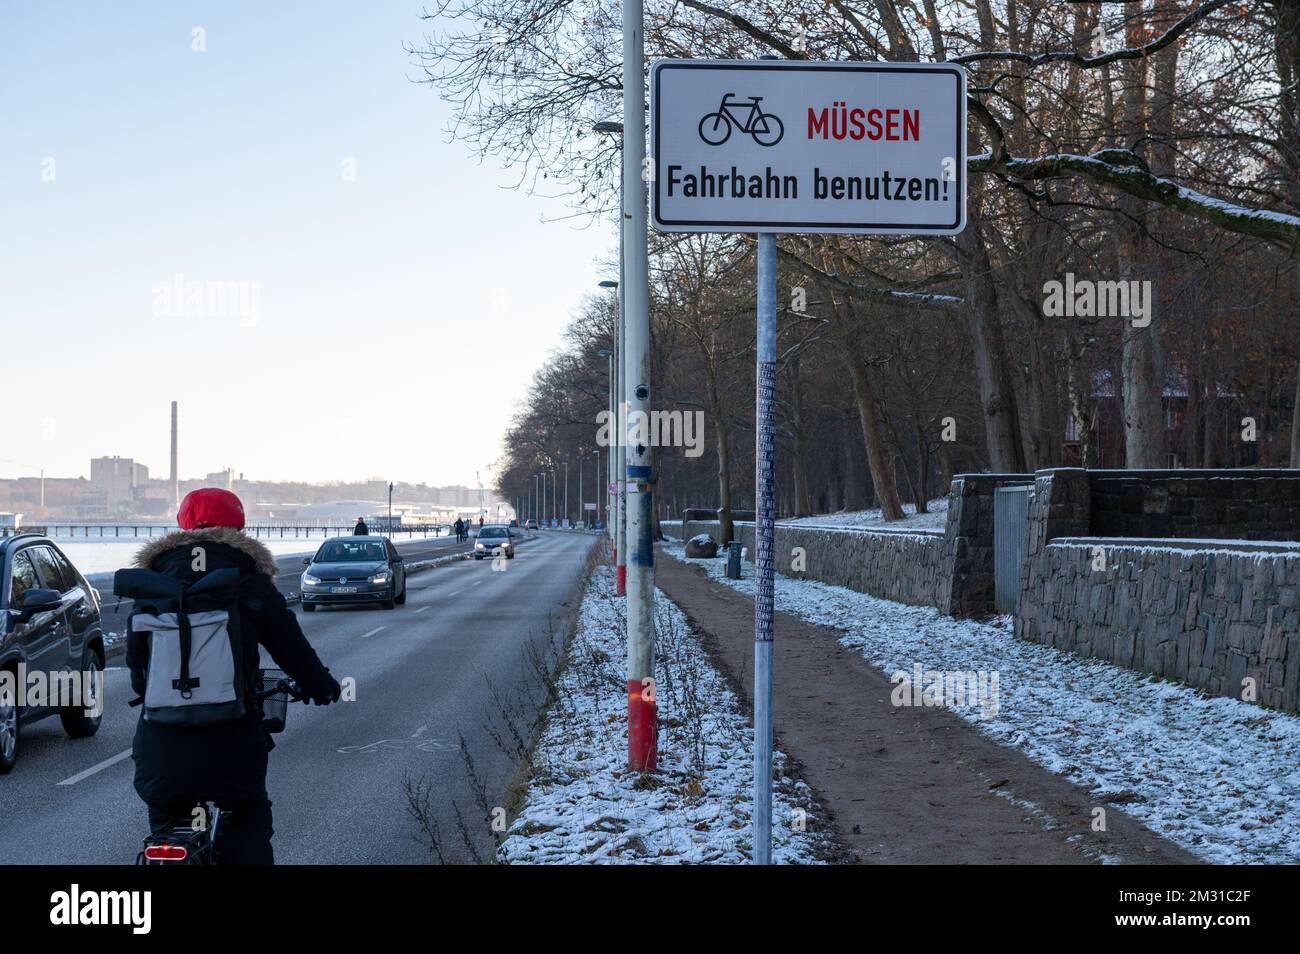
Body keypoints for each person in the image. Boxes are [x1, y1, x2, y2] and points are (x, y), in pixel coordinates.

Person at [126, 488, 341, 864]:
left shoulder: (152, 585)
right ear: (238, 529)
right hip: (231, 745)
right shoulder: (249, 581)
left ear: (182, 526)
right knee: (247, 817)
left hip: (160, 749)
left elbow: (138, 675)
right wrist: (321, 686)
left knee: (165, 826)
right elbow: (292, 650)